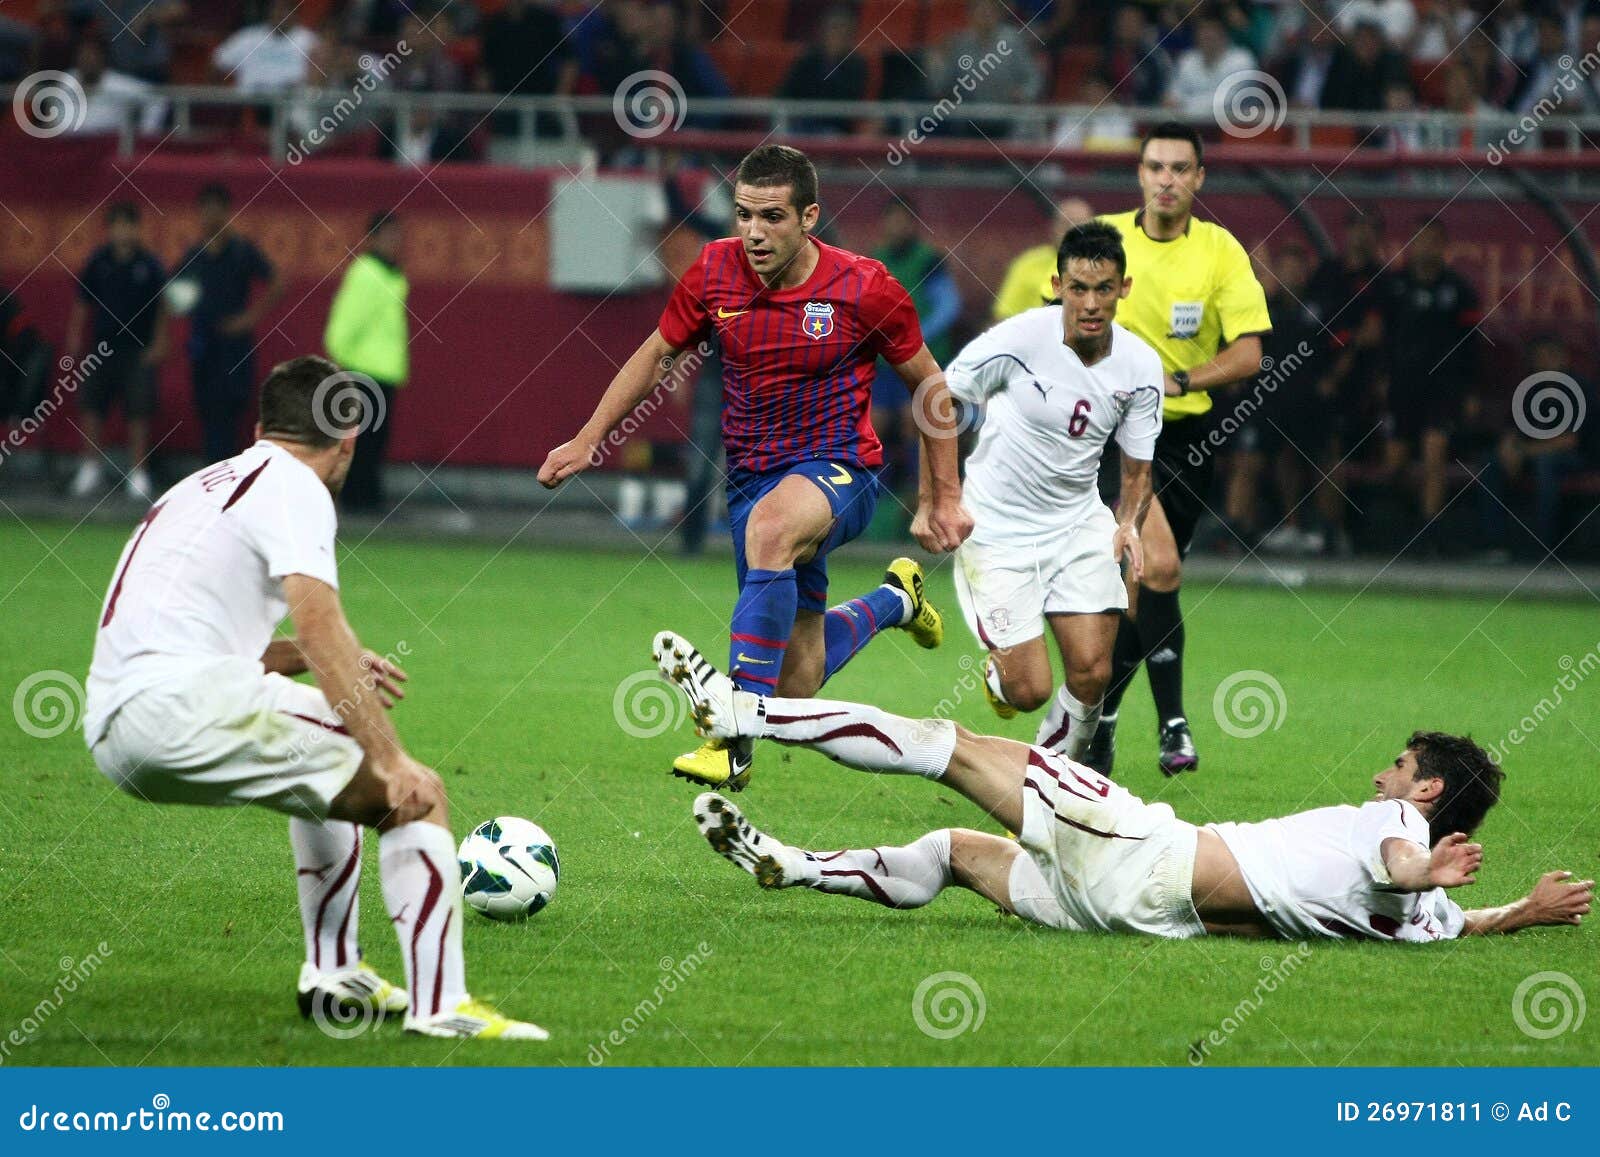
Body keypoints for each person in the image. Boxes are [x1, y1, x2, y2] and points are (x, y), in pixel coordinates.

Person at [83, 355, 546, 1040]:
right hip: (181, 705)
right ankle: (442, 1008)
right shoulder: (297, 487)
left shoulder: (193, 488)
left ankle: (334, 974)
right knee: (413, 790)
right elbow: (317, 616)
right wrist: (389, 758)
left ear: (264, 424)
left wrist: (310, 660)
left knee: (326, 746)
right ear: (348, 437)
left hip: (115, 729)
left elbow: (216, 643)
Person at [654, 631, 1593, 942]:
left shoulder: (1396, 830)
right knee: (954, 854)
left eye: (1399, 766)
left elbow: (1395, 866)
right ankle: (792, 861)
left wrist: (1420, 867)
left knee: (950, 743)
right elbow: (1448, 919)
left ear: (1423, 792)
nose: (1381, 774)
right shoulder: (1424, 922)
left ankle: (742, 713)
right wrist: (1523, 912)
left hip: (1146, 848)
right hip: (1130, 915)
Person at [539, 145, 974, 792]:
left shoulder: (864, 286)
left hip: (840, 469)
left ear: (809, 216)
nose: (754, 231)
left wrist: (944, 495)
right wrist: (589, 437)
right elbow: (659, 351)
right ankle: (895, 600)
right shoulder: (714, 271)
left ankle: (731, 734)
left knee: (770, 532)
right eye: (744, 214)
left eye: (772, 217)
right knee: (796, 680)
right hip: (750, 479)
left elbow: (931, 387)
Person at [1090, 123, 1272, 779]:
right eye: (1155, 166)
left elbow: (1250, 352)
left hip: (1191, 437)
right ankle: (1174, 725)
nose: (1166, 178)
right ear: (1138, 174)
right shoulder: (1105, 242)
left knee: (1141, 595)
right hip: (1115, 432)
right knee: (1159, 566)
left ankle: (1100, 724)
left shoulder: (1220, 251)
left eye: (1179, 168)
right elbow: (1064, 327)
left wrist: (1182, 379)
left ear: (1198, 179)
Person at [948, 221, 1161, 761]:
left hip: (1076, 521)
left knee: (1093, 674)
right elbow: (941, 397)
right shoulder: (1020, 339)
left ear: (1124, 288)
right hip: (995, 528)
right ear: (1058, 284)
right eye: (1078, 288)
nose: (1091, 303)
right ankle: (1003, 681)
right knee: (1029, 691)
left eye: (1104, 289)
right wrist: (940, 497)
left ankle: (1046, 793)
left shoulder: (1141, 366)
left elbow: (1136, 469)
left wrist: (1129, 523)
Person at [1379, 217, 1480, 547]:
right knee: (1394, 463)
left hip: (1443, 389)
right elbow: (1382, 338)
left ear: (1443, 246)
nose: (1425, 248)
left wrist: (1470, 390)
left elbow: (1471, 345)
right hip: (1402, 388)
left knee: (1434, 452)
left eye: (1433, 241)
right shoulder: (1395, 286)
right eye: (1420, 240)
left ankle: (1429, 530)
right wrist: (1380, 378)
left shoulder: (1459, 291)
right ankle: (1405, 521)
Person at [65, 202, 168, 502]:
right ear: (109, 230)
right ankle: (90, 466)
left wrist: (160, 343)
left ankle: (138, 472)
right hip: (101, 348)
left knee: (138, 410)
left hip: (137, 349)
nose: (123, 232)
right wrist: (75, 338)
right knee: (92, 406)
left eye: (129, 225)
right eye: (118, 226)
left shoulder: (149, 264)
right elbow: (83, 302)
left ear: (137, 229)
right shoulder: (98, 262)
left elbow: (163, 306)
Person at [178, 183, 283, 464]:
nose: (211, 215)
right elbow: (173, 294)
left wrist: (249, 318)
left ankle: (230, 471)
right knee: (206, 407)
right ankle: (211, 471)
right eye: (205, 209)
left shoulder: (241, 251)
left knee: (233, 409)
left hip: (234, 345)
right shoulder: (194, 255)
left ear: (227, 212)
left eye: (217, 209)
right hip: (204, 343)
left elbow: (277, 281)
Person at [870, 196, 963, 508]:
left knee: (915, 422)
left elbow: (949, 307)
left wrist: (913, 335)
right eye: (892, 219)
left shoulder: (929, 261)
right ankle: (873, 503)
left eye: (903, 220)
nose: (898, 226)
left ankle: (916, 501)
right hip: (884, 366)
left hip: (924, 363)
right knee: (873, 423)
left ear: (913, 224)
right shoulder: (875, 261)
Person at [325, 211, 409, 514]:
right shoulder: (367, 273)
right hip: (362, 371)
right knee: (359, 442)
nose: (395, 242)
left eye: (398, 236)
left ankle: (367, 499)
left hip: (381, 370)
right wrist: (343, 365)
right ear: (371, 239)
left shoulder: (390, 273)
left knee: (373, 441)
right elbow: (344, 324)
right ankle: (357, 501)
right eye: (388, 236)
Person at [991, 196, 1095, 322]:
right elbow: (1002, 319)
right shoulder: (1027, 264)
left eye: (1079, 225)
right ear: (1053, 228)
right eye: (1065, 224)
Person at [211, 0, 321, 95]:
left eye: (285, 9)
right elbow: (217, 62)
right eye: (276, 9)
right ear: (269, 11)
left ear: (295, 13)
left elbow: (319, 79)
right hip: (250, 106)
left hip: (291, 106)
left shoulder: (309, 40)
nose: (279, 14)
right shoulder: (247, 37)